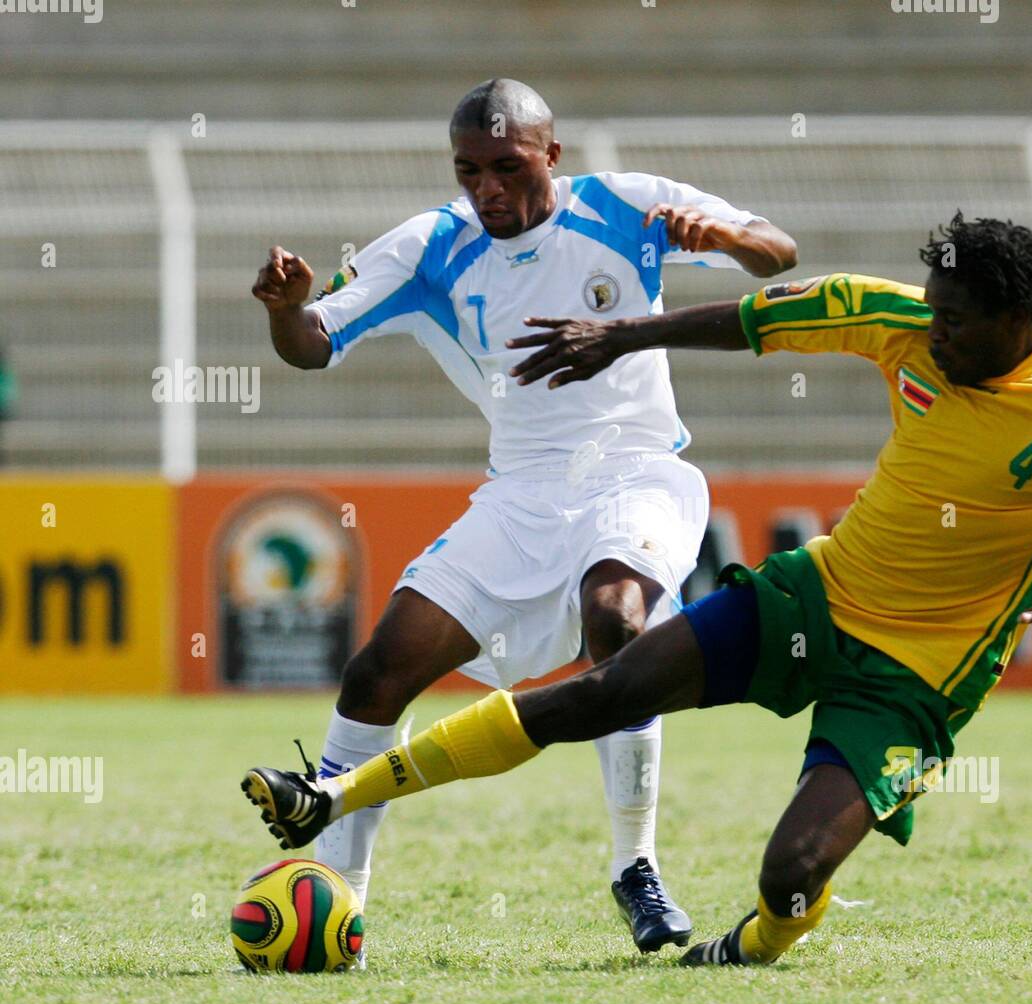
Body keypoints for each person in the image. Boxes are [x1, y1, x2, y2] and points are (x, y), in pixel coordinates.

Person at [244, 212, 1032, 967]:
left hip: (913, 678)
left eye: (954, 320)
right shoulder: (907, 325)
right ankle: (333, 796)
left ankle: (746, 948)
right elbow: (761, 319)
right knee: (604, 685)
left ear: (1021, 324)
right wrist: (622, 337)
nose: (933, 329)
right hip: (816, 599)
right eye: (930, 307)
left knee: (789, 880)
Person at [249, 79, 797, 957]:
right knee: (378, 670)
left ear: (552, 155)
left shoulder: (622, 204)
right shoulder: (435, 243)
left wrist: (730, 236)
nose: (488, 189)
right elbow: (314, 345)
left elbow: (779, 254)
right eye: (470, 171)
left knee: (618, 620)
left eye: (507, 167)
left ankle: (636, 868)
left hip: (638, 474)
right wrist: (285, 311)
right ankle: (340, 902)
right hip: (521, 494)